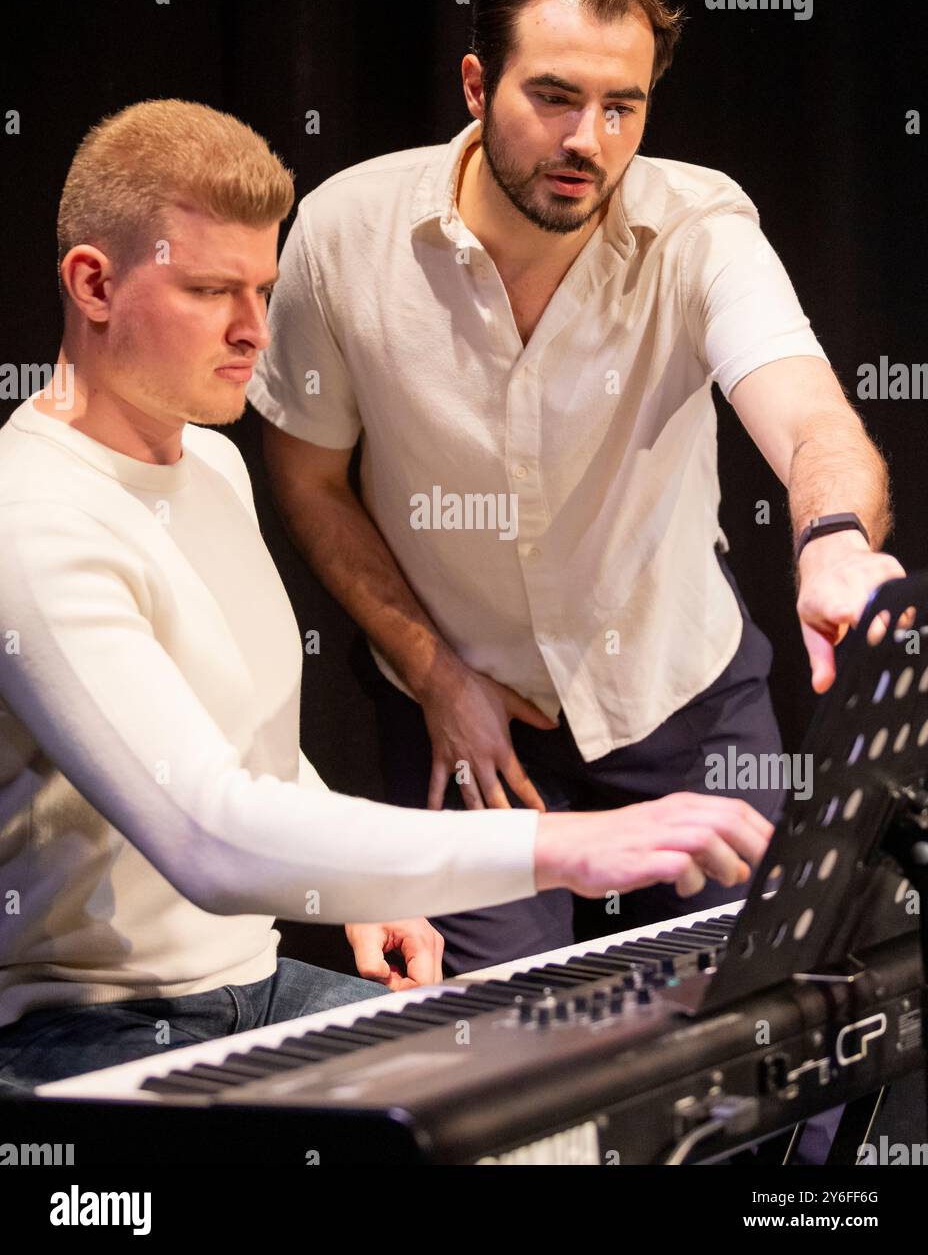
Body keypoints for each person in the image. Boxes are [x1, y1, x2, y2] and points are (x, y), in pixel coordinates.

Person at [0, 98, 772, 1092]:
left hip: (247, 984)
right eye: (208, 290)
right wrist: (560, 844)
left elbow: (231, 738)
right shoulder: (32, 515)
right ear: (93, 283)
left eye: (263, 289)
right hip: (83, 1033)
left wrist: (353, 887)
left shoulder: (207, 463)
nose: (252, 330)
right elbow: (204, 833)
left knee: (548, 1096)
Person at [246, 0, 904, 976]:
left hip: (681, 692)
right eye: (553, 97)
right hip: (463, 710)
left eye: (620, 107)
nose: (585, 141)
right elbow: (308, 477)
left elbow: (812, 419)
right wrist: (431, 670)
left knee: (771, 1030)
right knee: (498, 1072)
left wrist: (830, 541)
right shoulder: (345, 236)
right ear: (475, 84)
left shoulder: (700, 229)